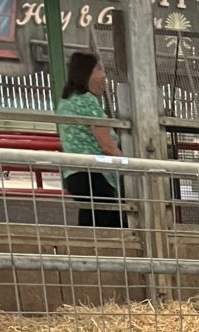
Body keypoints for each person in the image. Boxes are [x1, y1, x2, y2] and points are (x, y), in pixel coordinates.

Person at [57, 51, 127, 228]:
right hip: (95, 175)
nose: (103, 75)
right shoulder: (87, 101)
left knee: (90, 221)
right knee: (112, 225)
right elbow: (107, 146)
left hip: (75, 175)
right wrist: (132, 167)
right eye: (98, 69)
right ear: (85, 73)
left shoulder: (66, 101)